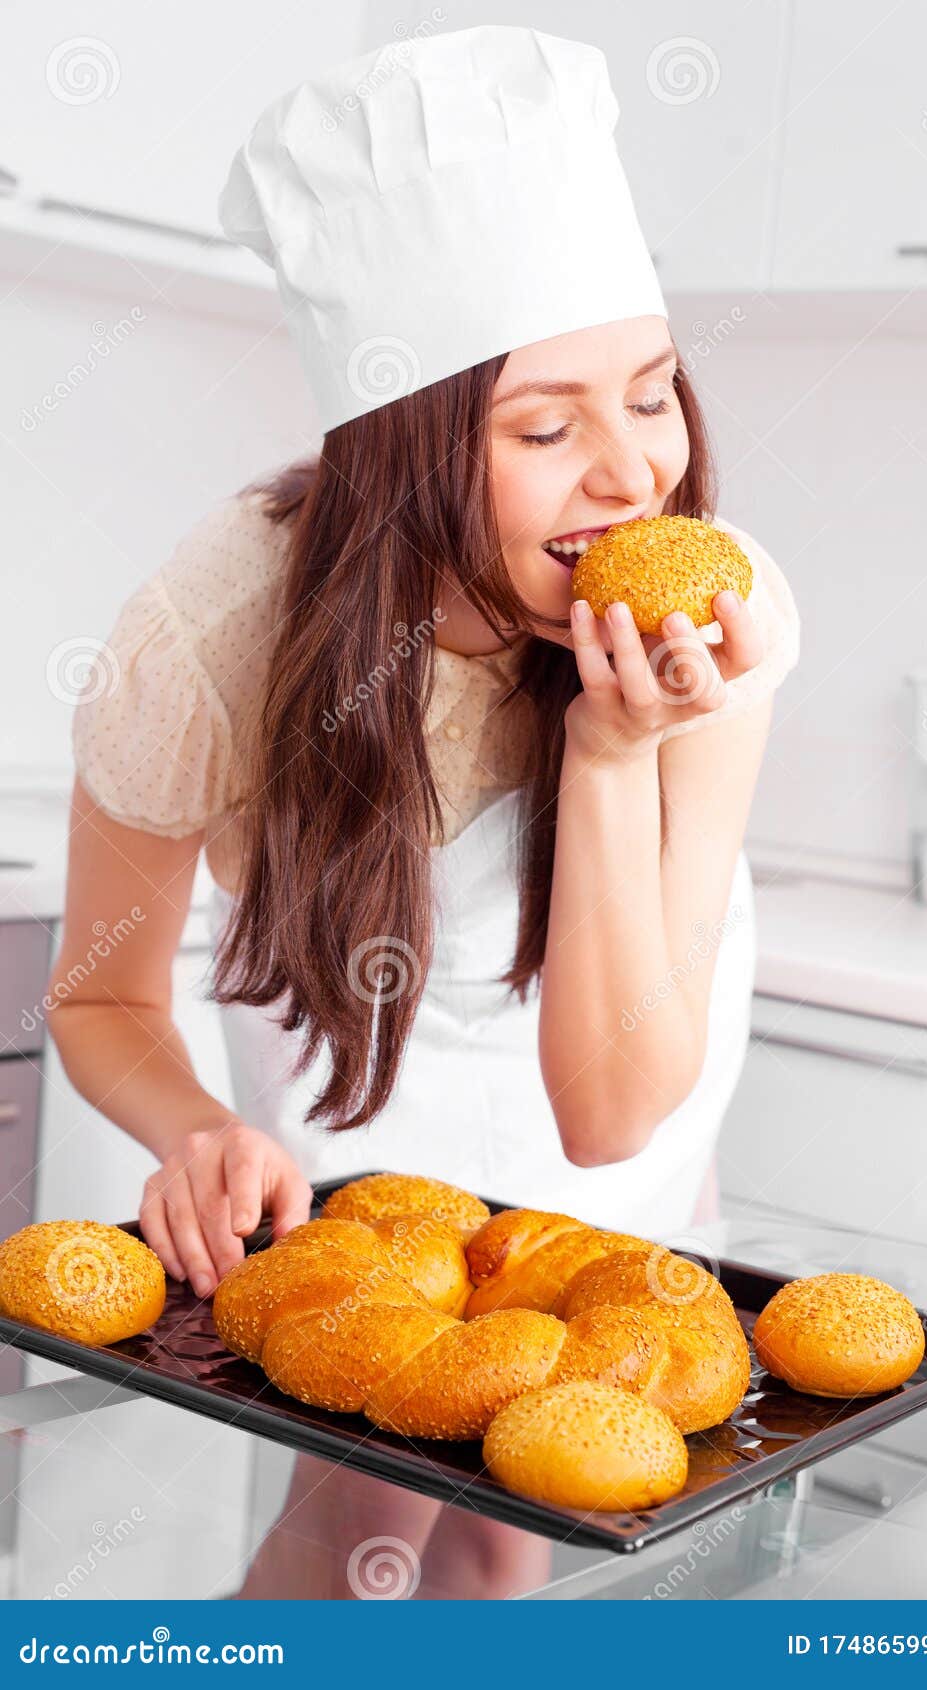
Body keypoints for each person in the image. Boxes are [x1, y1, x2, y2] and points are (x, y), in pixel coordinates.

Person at [47, 25, 799, 1598]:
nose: (633, 479)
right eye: (544, 430)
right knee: (366, 1516)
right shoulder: (211, 642)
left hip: (621, 1088)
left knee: (520, 1525)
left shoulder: (718, 619)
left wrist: (608, 756)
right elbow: (103, 988)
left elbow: (612, 1105)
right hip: (360, 1106)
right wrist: (194, 1130)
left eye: (654, 397)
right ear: (399, 455)